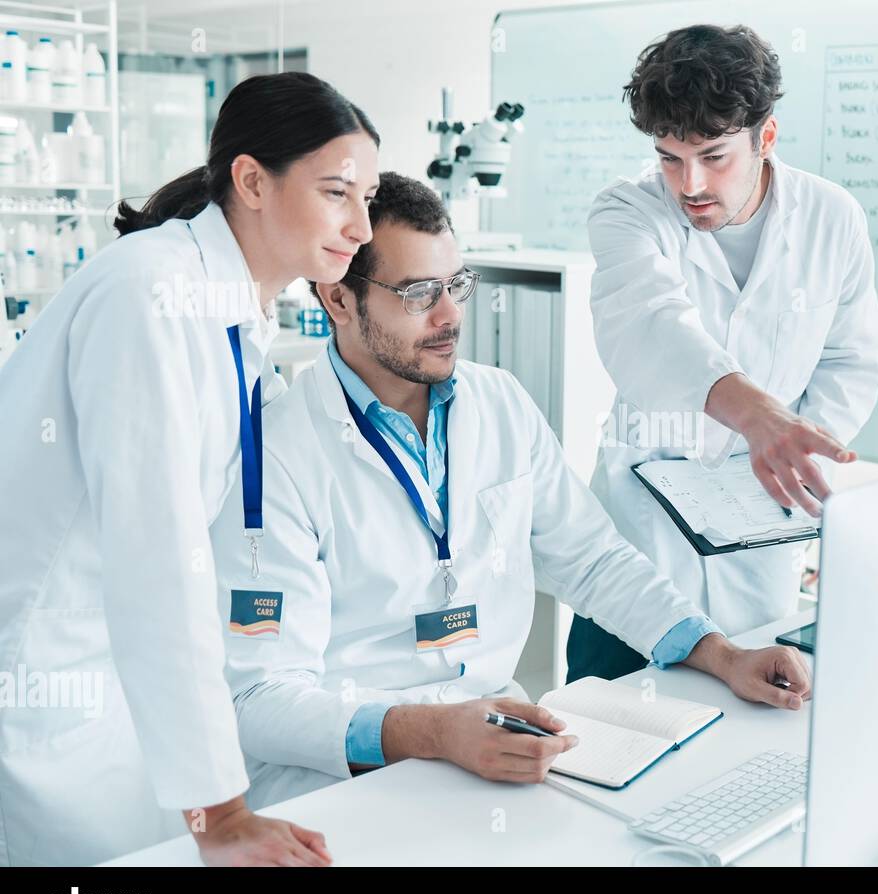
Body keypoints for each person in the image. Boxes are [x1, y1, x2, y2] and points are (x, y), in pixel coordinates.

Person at [210, 173, 812, 808]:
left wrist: (721, 654)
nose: (449, 317)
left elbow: (592, 560)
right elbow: (261, 698)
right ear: (337, 299)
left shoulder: (498, 403)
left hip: (498, 745)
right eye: (419, 294)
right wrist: (436, 732)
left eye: (458, 286)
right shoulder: (272, 453)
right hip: (348, 780)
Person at [0, 71, 379, 866]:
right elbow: (156, 553)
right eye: (338, 192)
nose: (361, 226)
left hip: (110, 682)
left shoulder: (237, 316)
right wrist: (223, 810)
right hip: (41, 681)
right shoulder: (152, 291)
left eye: (368, 197)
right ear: (251, 181)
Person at [569, 24, 878, 681]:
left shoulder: (833, 218)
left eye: (714, 156)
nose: (690, 184)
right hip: (642, 536)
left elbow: (852, 358)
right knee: (601, 727)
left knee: (745, 723)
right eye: (669, 157)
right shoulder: (627, 212)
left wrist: (793, 444)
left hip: (759, 531)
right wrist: (759, 417)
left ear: (765, 137)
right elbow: (651, 329)